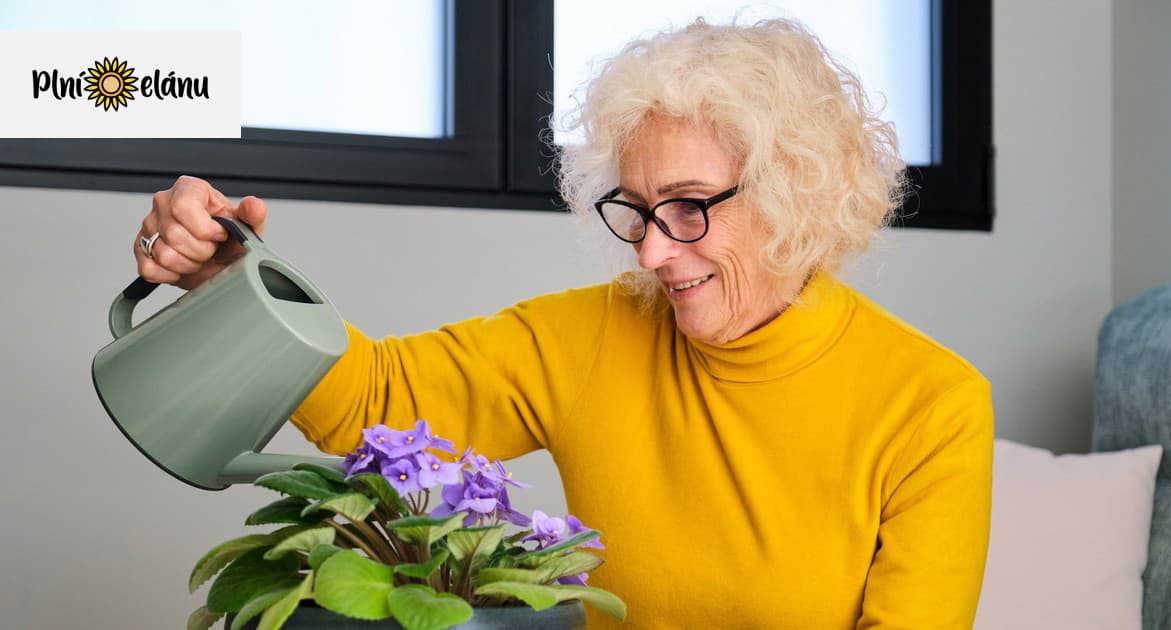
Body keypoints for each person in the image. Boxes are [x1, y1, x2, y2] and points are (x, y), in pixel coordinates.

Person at [134, 18, 992, 629]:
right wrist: (231, 279)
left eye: (689, 208)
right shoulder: (592, 335)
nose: (652, 254)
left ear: (795, 195)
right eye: (638, 209)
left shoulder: (931, 405)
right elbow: (381, 397)